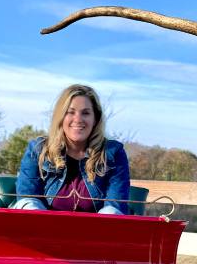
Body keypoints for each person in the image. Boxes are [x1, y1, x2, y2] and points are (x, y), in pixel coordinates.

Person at [14, 85, 132, 214]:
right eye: (70, 112)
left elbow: (115, 206)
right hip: (43, 226)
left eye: (85, 113)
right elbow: (28, 199)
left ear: (95, 119)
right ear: (60, 117)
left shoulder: (114, 152)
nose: (78, 119)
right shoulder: (37, 149)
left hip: (97, 227)